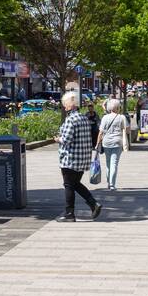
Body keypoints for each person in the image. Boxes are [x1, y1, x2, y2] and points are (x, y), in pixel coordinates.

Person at [54, 91, 102, 222]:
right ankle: (93, 204)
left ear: (71, 105)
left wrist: (58, 139)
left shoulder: (71, 119)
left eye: (65, 104)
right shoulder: (84, 118)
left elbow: (67, 139)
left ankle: (70, 214)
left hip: (70, 158)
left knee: (69, 185)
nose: (64, 107)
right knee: (75, 184)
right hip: (83, 158)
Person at [96, 97, 128, 191]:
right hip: (117, 142)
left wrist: (97, 143)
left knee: (108, 163)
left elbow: (101, 132)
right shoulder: (122, 117)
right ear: (118, 107)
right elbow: (127, 129)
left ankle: (108, 182)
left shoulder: (105, 117)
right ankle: (112, 184)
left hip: (106, 142)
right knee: (114, 163)